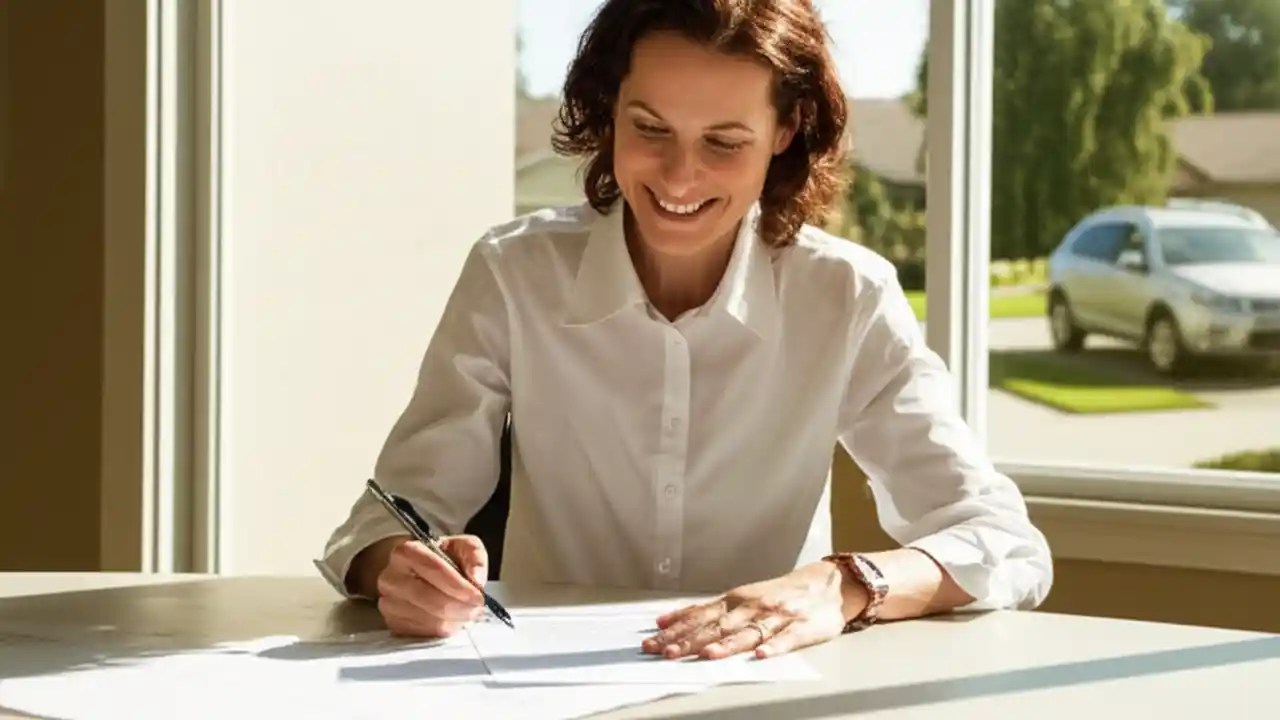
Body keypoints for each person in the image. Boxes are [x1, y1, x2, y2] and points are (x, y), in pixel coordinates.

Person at [318, 0, 1052, 662]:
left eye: (725, 142)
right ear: (609, 112)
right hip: (538, 689)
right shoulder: (514, 274)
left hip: (766, 695)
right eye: (650, 129)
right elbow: (381, 524)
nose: (678, 177)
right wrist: (405, 572)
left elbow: (1005, 542)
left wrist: (844, 583)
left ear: (785, 130)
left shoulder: (847, 297)